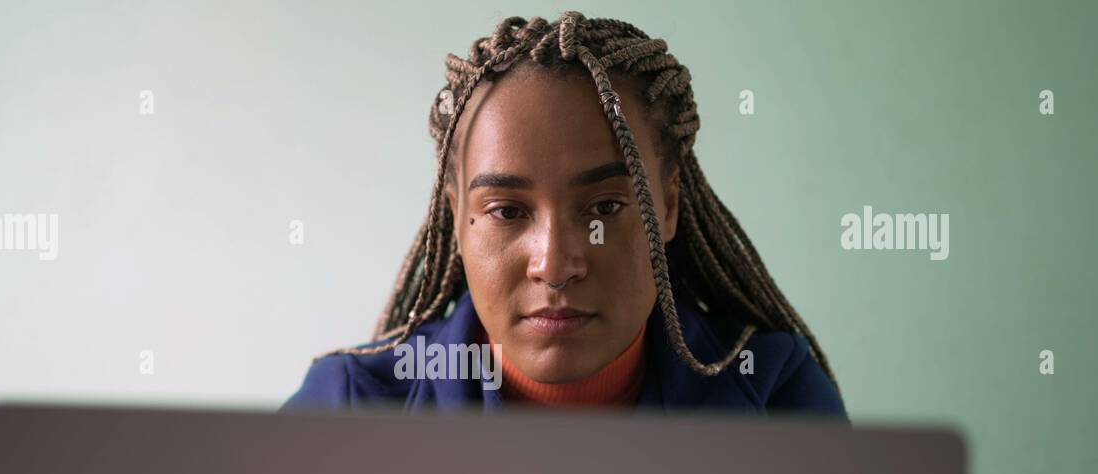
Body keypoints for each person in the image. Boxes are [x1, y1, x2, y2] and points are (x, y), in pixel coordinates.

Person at [284, 12, 846, 418]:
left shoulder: (775, 393)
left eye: (605, 206)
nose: (555, 265)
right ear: (457, 219)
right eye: (506, 210)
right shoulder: (348, 407)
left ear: (668, 204)